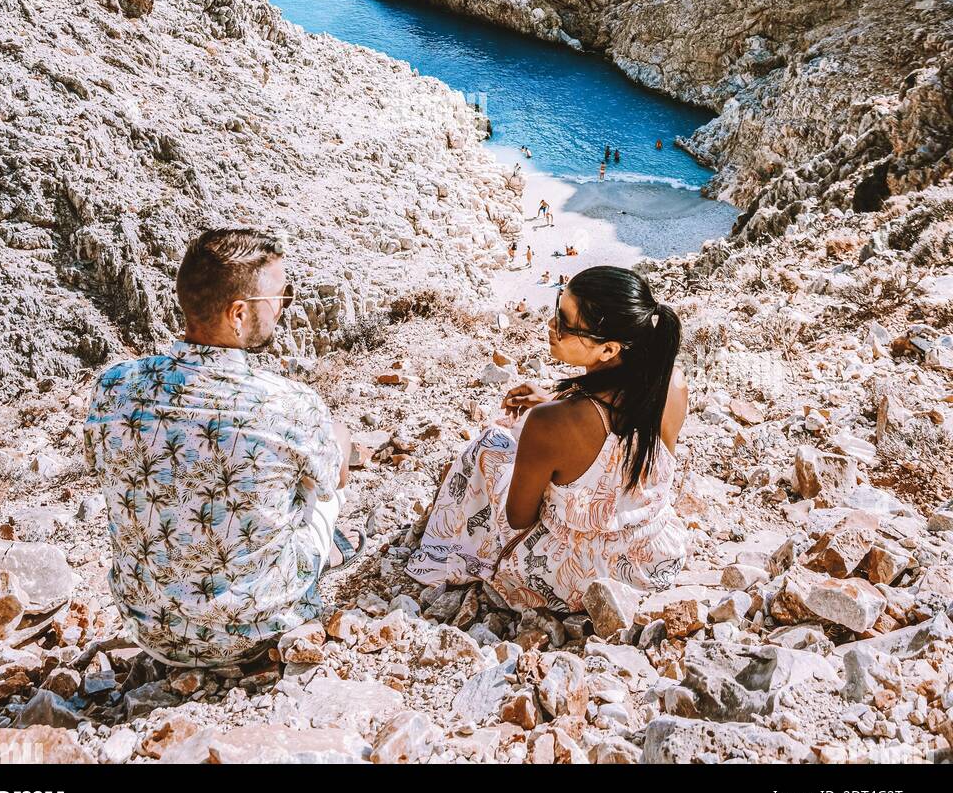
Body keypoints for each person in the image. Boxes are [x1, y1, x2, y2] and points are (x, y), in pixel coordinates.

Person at [85, 228, 357, 668]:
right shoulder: (289, 403)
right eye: (280, 298)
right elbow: (335, 478)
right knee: (325, 467)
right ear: (238, 314)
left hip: (152, 630)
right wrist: (339, 436)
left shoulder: (112, 386)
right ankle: (321, 555)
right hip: (259, 631)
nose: (284, 309)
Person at [407, 267, 688, 609]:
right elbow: (617, 439)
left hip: (576, 577)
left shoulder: (551, 423)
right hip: (652, 558)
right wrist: (560, 403)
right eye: (558, 307)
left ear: (608, 350)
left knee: (490, 443)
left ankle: (439, 550)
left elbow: (518, 518)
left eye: (565, 322)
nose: (551, 326)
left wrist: (541, 427)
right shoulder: (670, 384)